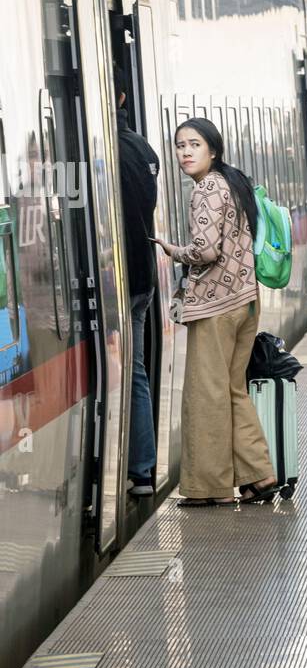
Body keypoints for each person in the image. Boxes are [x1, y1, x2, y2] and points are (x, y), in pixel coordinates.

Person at [151, 118, 276, 506]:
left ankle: (209, 487)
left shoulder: (206, 188)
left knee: (206, 396)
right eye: (180, 146)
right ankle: (260, 474)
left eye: (194, 145)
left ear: (213, 150)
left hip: (216, 308)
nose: (185, 153)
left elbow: (205, 251)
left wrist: (173, 251)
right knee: (232, 390)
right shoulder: (232, 183)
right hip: (245, 302)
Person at [115, 70, 160, 499]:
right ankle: (142, 471)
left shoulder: (103, 150)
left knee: (126, 371)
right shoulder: (143, 148)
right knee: (137, 371)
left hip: (120, 280)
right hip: (143, 275)